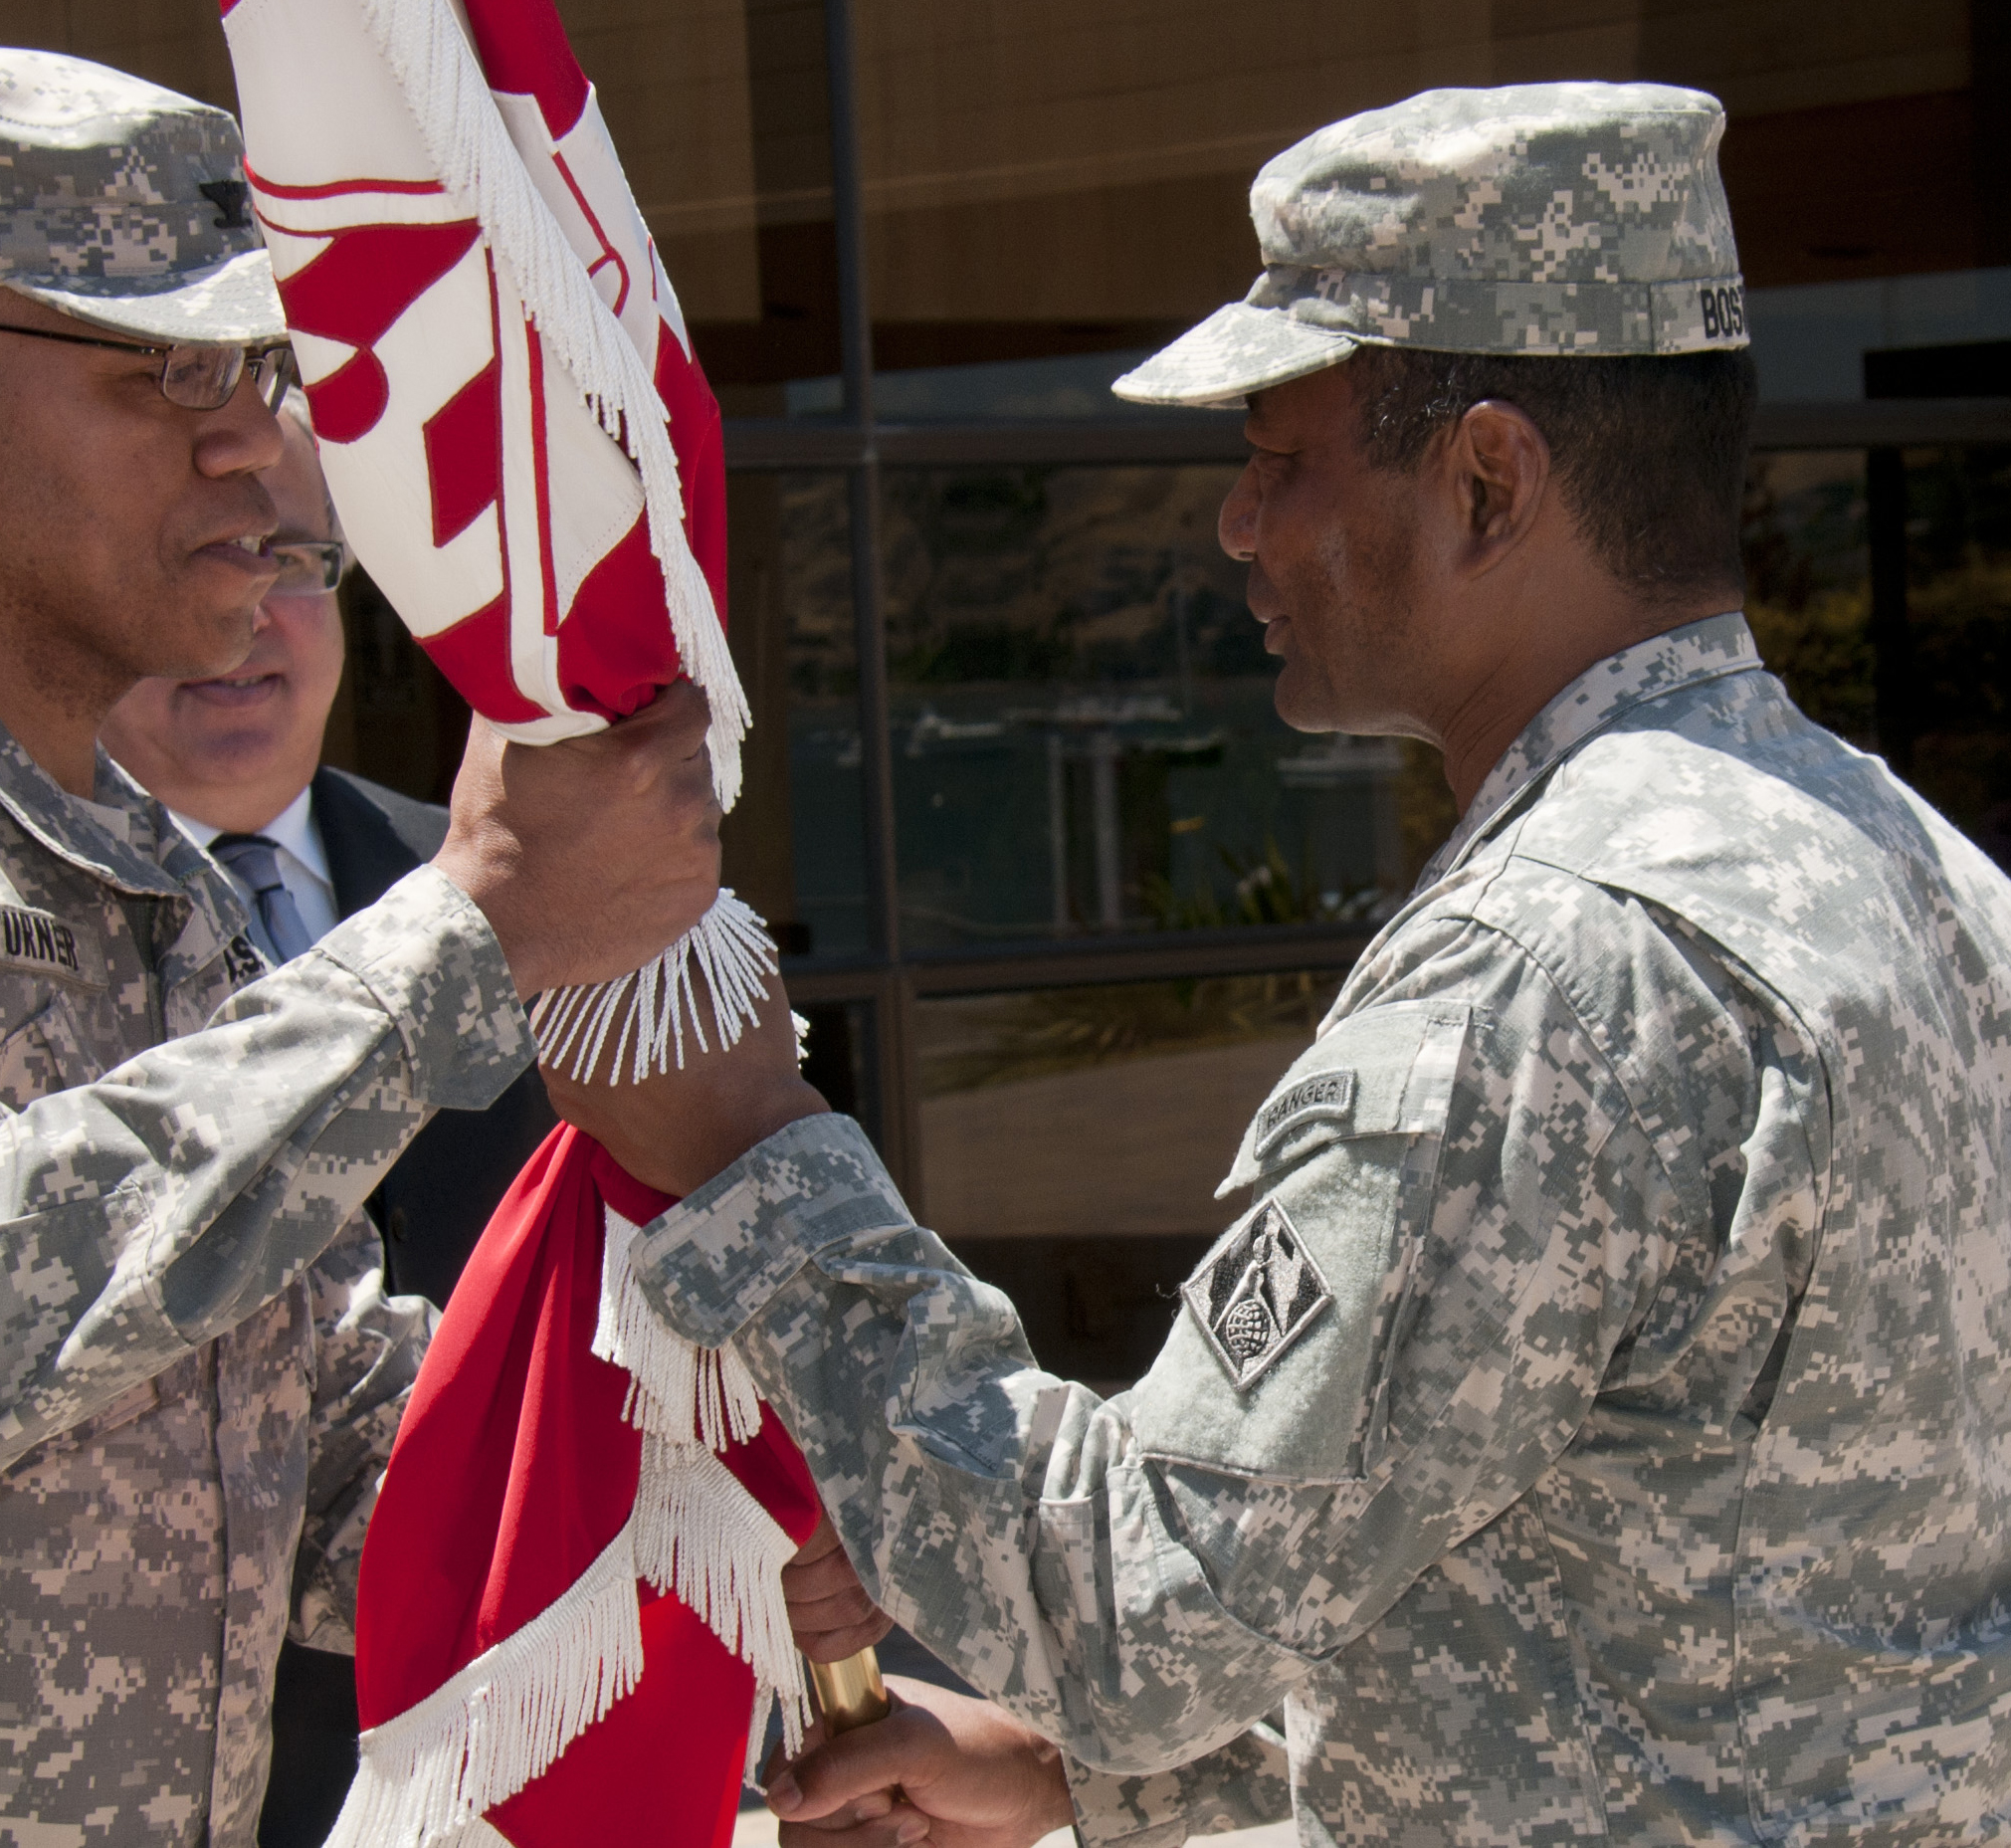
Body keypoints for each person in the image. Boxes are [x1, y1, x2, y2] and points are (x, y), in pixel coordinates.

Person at [550, 82, 2011, 1847]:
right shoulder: (1921, 874)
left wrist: (744, 1150)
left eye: (1277, 454)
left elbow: (1125, 1604)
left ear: (1486, 476)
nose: (1239, 524)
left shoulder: (1547, 971)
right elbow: (1664, 1591)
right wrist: (1066, 1775)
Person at [0, 48, 719, 1846]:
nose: (252, 438)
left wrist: (693, 1502)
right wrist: (463, 936)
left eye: (259, 368)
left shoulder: (139, 866)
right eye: (165, 371)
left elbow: (290, 1440)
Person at [100, 391, 557, 1845]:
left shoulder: (529, 890)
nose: (254, 613)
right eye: (207, 559)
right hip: (169, 1751)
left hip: (519, 1708)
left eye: (297, 561)